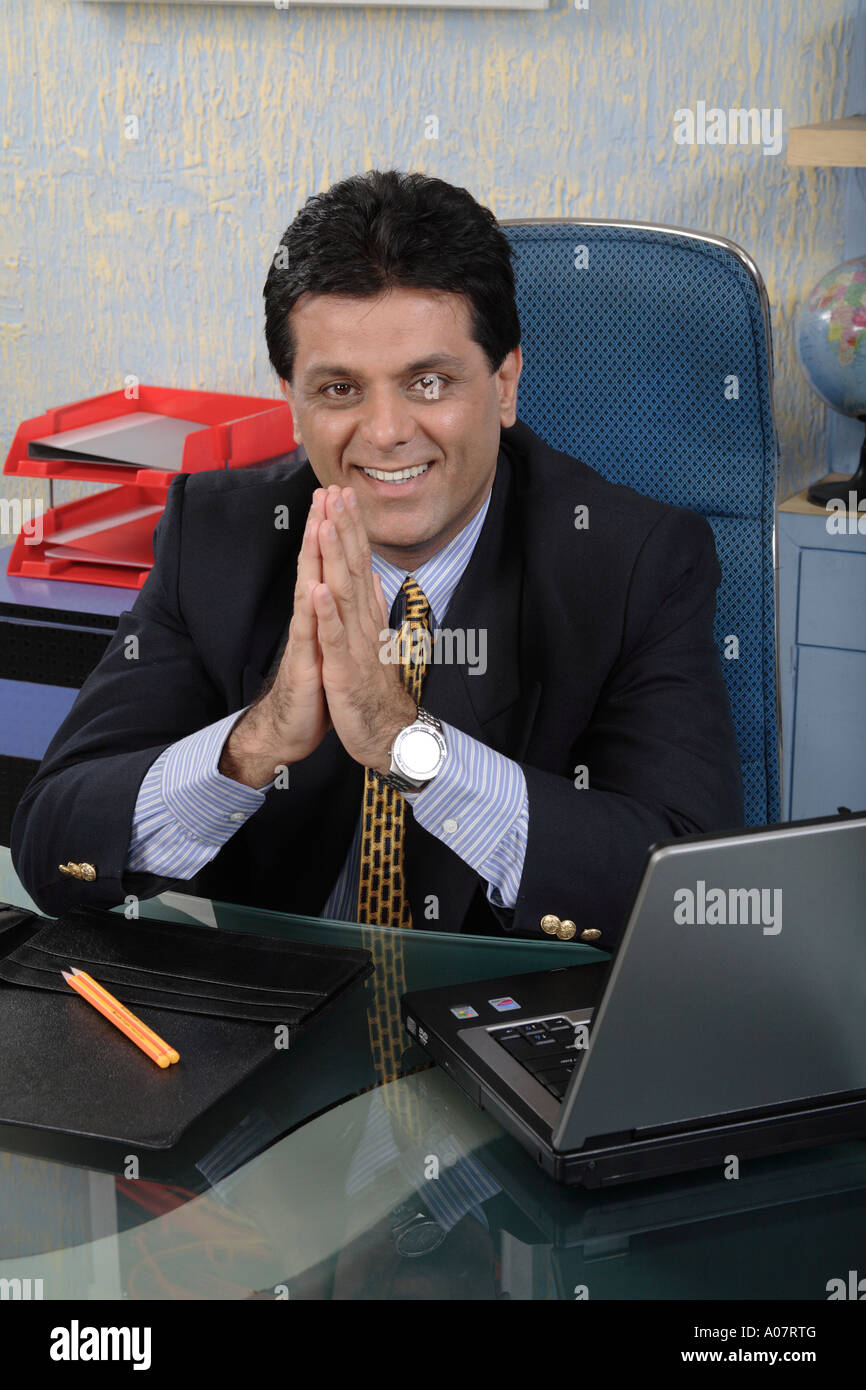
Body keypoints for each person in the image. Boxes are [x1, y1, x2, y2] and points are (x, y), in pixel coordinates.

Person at [11, 169, 743, 948]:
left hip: (502, 1016)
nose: (387, 431)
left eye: (428, 382)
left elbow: (686, 891)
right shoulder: (218, 537)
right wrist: (255, 743)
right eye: (338, 389)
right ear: (291, 397)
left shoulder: (634, 561)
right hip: (271, 1011)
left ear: (503, 384)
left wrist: (405, 742)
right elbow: (52, 842)